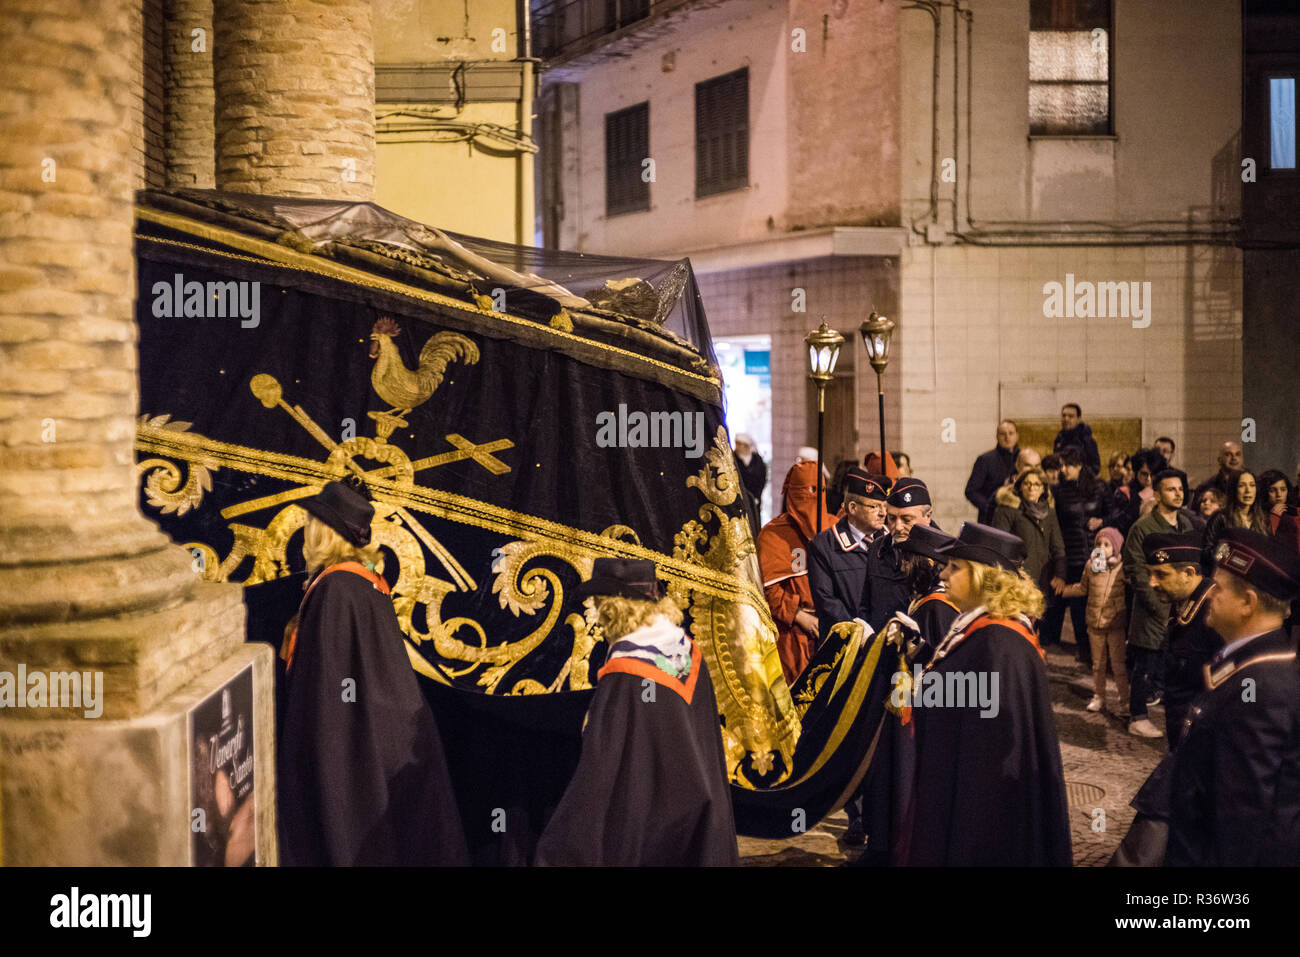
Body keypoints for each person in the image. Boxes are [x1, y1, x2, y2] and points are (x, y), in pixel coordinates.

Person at [278, 477, 470, 866]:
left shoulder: (338, 590)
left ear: (324, 533)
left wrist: (320, 768)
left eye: (312, 523)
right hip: (386, 741)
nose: (305, 531)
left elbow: (328, 696)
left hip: (355, 747)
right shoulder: (362, 582)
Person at [534, 558, 740, 865]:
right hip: (699, 822)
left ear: (613, 608)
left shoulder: (627, 672)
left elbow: (602, 771)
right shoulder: (686, 649)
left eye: (599, 604)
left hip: (650, 832)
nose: (597, 618)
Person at [897, 524, 1072, 866]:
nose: (943, 573)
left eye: (955, 567)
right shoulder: (984, 630)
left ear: (984, 577)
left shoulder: (998, 644)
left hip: (980, 814)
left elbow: (991, 752)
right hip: (962, 789)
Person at [1164, 529, 1300, 865]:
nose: (1208, 595)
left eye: (1219, 588)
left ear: (1248, 603)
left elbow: (1239, 823)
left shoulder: (1260, 689)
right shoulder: (1251, 663)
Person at [1122, 469, 1193, 738]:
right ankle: (1137, 716)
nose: (1178, 493)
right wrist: (1157, 607)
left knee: (1174, 663)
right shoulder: (1143, 528)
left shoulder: (1186, 525)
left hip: (1183, 608)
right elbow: (1136, 570)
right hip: (1153, 608)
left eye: (1180, 489)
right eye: (1171, 489)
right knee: (1145, 664)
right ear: (1158, 493)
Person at [758, 460, 835, 685]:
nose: (816, 496)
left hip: (831, 628)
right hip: (791, 634)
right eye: (810, 490)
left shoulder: (834, 528)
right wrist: (799, 616)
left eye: (820, 490)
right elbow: (766, 590)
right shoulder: (773, 535)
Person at [1143, 532, 1220, 749]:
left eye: (1160, 574)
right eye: (1150, 574)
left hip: (1204, 741)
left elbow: (1247, 679)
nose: (1152, 583)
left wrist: (1247, 707)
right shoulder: (1183, 603)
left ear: (1188, 573)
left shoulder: (1216, 614)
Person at [807, 468, 890, 640]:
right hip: (845, 645)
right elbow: (827, 602)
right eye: (874, 506)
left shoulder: (890, 542)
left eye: (884, 506)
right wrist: (860, 634)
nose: (882, 513)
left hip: (885, 642)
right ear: (852, 507)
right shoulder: (825, 545)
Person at [1048, 446, 1110, 665]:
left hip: (1098, 553)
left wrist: (1103, 521)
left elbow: (1112, 513)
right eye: (1061, 465)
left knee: (1100, 603)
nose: (1063, 469)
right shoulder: (1058, 491)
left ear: (1079, 464)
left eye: (1067, 464)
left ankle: (1101, 654)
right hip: (1073, 554)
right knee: (1077, 607)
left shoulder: (1099, 488)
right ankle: (1084, 651)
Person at [1062, 527, 1129, 717]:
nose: (1102, 547)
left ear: (1115, 548)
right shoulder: (1090, 566)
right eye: (1099, 544)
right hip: (1094, 622)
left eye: (1107, 545)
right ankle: (1099, 696)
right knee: (1098, 664)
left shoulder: (1121, 568)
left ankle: (1125, 701)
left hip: (1115, 623)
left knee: (1118, 665)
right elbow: (1083, 588)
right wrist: (1064, 590)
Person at [991, 467, 1066, 633]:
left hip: (1042, 577)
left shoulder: (1049, 513)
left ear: (1043, 488)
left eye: (1037, 484)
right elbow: (999, 544)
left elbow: (1057, 545)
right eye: (1027, 484)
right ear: (1020, 486)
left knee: (1034, 623)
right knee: (1016, 624)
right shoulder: (1008, 510)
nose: (1032, 488)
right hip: (1017, 579)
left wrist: (1060, 574)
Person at [864, 477, 936, 633]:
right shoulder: (877, 548)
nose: (897, 526)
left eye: (906, 519)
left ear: (928, 516)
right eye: (891, 518)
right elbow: (866, 604)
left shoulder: (943, 556)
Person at [1202, 469, 1272, 572]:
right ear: (1233, 489)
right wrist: (1231, 556)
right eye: (1242, 486)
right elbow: (1206, 553)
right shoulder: (1221, 517)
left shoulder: (1263, 519)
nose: (1248, 490)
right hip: (1227, 574)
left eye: (1252, 485)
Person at [965, 419, 1020, 525]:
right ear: (997, 436)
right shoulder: (985, 460)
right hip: (990, 520)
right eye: (1003, 434)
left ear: (1017, 435)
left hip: (1018, 519)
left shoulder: (1023, 458)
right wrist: (989, 507)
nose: (1007, 437)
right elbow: (971, 491)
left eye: (1011, 433)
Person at [1111, 447, 1168, 535]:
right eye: (1144, 474)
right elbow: (1119, 525)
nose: (1148, 479)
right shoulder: (1124, 493)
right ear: (1136, 472)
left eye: (1153, 474)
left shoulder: (1164, 491)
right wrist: (1137, 500)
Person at [733, 433, 767, 538]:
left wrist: (757, 495)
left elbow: (762, 478)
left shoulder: (757, 460)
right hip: (739, 501)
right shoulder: (733, 459)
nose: (740, 447)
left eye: (742, 445)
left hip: (754, 500)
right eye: (738, 444)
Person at [1053, 402, 1101, 474]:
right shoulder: (1059, 440)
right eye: (1064, 415)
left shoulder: (1087, 440)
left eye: (1071, 416)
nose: (1066, 419)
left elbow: (1095, 467)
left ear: (1078, 419)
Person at [1259, 468, 1297, 535]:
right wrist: (1274, 518)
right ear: (1264, 492)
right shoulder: (1258, 515)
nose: (1279, 494)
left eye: (1283, 489)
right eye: (1272, 490)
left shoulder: (1294, 513)